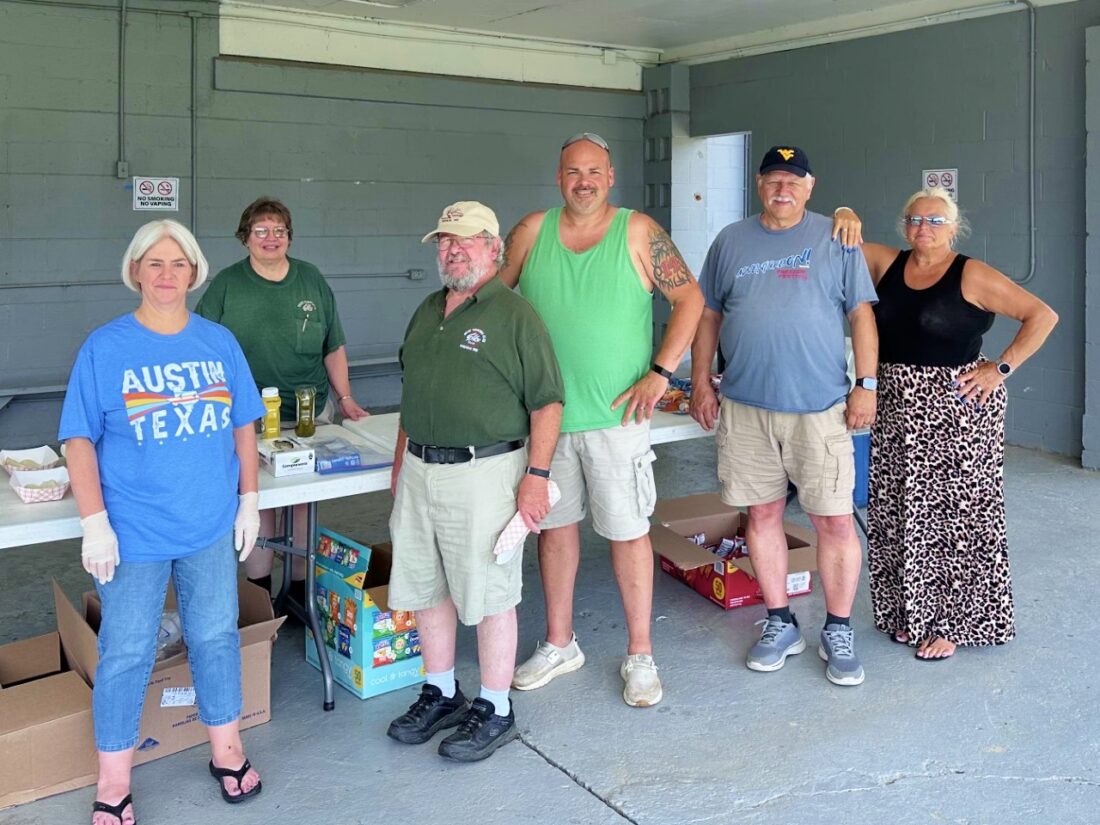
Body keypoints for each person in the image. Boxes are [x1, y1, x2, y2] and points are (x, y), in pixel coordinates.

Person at [61, 220, 266, 825]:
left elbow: (244, 426)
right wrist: (94, 522)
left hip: (206, 525)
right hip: (133, 534)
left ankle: (227, 750)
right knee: (126, 653)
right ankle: (114, 781)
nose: (167, 274)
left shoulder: (219, 343)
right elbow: (78, 440)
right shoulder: (105, 347)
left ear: (195, 272)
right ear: (135, 272)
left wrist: (248, 500)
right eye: (155, 263)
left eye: (179, 263)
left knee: (215, 637)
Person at [498, 132, 704, 708]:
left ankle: (640, 653)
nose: (583, 181)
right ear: (557, 178)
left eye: (594, 171)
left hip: (618, 419)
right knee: (555, 531)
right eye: (572, 172)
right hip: (546, 418)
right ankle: (560, 643)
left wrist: (663, 370)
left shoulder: (637, 231)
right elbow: (492, 297)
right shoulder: (534, 231)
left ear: (610, 177)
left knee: (628, 532)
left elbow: (690, 299)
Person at [689, 145, 878, 687]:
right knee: (762, 517)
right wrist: (701, 380)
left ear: (810, 187)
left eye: (793, 182)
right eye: (774, 180)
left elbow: (861, 315)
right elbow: (708, 315)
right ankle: (780, 621)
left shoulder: (837, 236)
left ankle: (837, 628)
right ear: (759, 183)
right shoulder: (730, 240)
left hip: (819, 411)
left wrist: (866, 385)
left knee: (835, 522)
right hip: (746, 408)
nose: (783, 190)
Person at [385, 201, 564, 762]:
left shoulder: (515, 315)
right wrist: (400, 462)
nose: (452, 249)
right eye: (443, 241)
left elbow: (547, 402)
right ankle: (441, 691)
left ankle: (495, 706)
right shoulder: (426, 310)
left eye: (464, 240)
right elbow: (413, 392)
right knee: (425, 586)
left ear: (493, 248)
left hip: (485, 471)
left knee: (489, 594)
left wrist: (536, 476)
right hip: (420, 469)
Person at [859, 187, 1057, 660]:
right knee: (900, 510)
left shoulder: (971, 273)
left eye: (935, 220)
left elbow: (1042, 315)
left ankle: (956, 622)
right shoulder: (888, 263)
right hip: (896, 407)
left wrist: (1000, 367)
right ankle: (909, 613)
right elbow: (832, 236)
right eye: (915, 219)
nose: (923, 228)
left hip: (958, 410)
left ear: (954, 228)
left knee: (957, 517)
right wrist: (846, 210)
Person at [195, 197, 369, 604]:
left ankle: (297, 591)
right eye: (261, 231)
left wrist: (345, 398)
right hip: (247, 418)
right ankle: (259, 595)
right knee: (260, 499)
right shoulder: (226, 284)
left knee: (305, 499)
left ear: (289, 237)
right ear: (245, 238)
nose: (271, 238)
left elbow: (333, 346)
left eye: (279, 231)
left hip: (308, 413)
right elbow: (202, 347)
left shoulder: (310, 279)